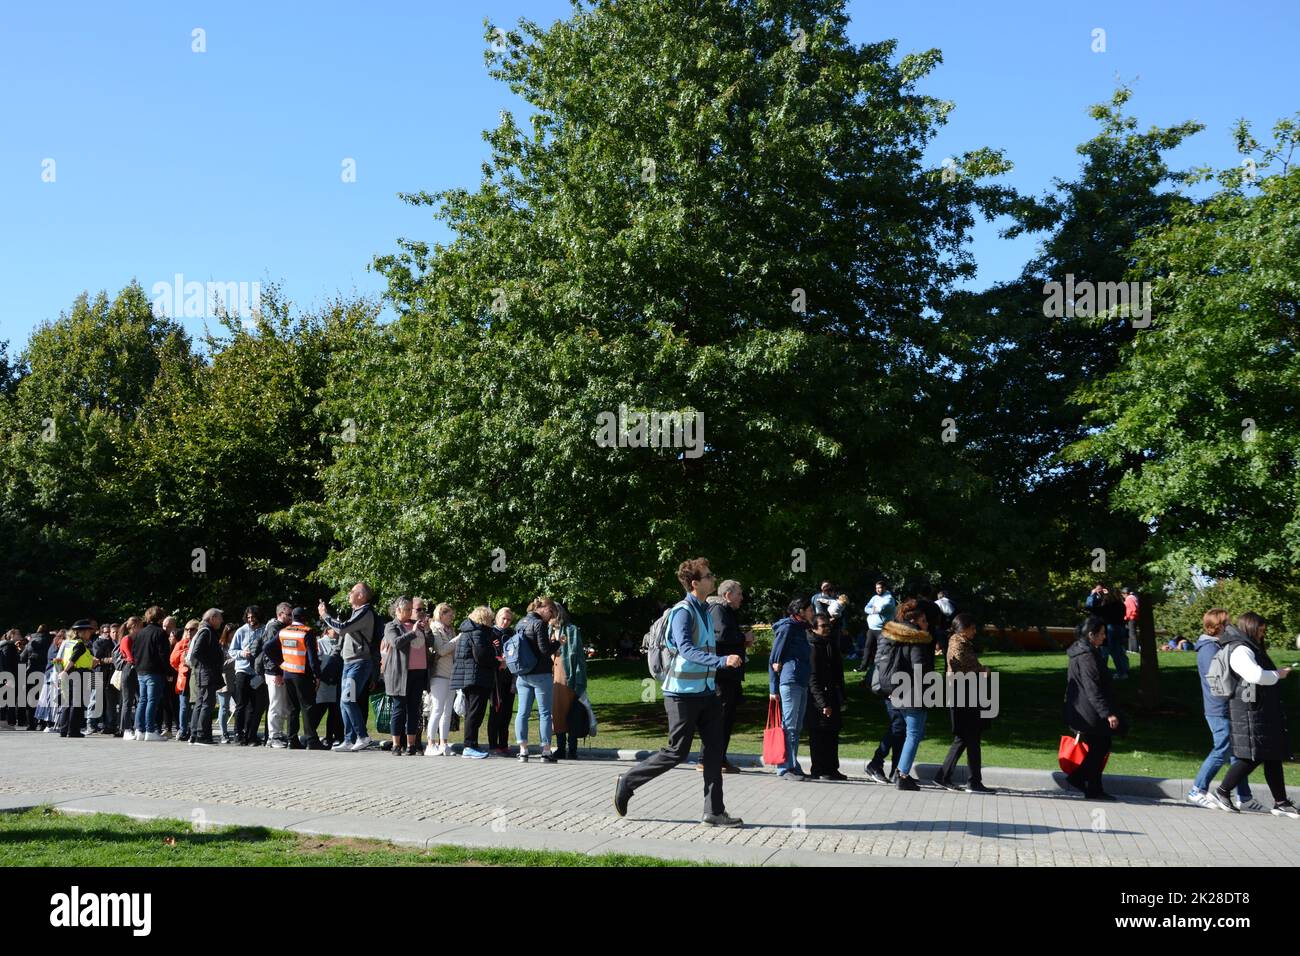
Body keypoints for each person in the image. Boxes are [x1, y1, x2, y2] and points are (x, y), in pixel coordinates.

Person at [613, 558, 745, 827]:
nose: (713, 579)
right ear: (695, 583)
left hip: (706, 692)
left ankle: (714, 812)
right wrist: (721, 661)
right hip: (681, 694)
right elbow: (686, 649)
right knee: (677, 752)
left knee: (714, 750)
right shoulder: (683, 611)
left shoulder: (706, 610)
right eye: (708, 576)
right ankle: (628, 781)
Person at [1206, 612, 1299, 818]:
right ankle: (1222, 791)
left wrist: (1274, 674)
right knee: (1252, 756)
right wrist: (1277, 675)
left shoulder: (1249, 647)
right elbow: (1254, 675)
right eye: (1260, 630)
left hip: (1258, 710)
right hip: (1249, 711)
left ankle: (1281, 801)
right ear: (1250, 627)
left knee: (1271, 754)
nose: (1262, 634)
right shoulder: (1241, 649)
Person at [1187, 609, 1259, 810]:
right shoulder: (1209, 649)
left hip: (1225, 706)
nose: (1231, 625)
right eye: (1227, 622)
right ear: (1217, 625)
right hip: (1217, 707)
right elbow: (1218, 679)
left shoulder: (1217, 646)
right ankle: (1197, 790)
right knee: (1223, 748)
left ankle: (1243, 796)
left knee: (1238, 752)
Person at [933, 613, 994, 793]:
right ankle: (973, 782)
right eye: (973, 628)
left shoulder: (959, 643)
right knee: (972, 737)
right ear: (964, 628)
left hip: (964, 694)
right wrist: (982, 671)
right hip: (964, 695)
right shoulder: (958, 644)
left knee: (965, 738)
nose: (975, 631)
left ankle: (944, 776)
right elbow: (962, 669)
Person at [879, 599, 934, 791]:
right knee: (913, 734)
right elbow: (919, 667)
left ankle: (900, 772)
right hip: (912, 692)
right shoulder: (916, 638)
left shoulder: (894, 635)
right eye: (924, 620)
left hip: (895, 690)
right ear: (916, 621)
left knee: (910, 733)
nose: (926, 623)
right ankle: (902, 775)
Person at [1064, 615, 1121, 800]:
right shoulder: (1087, 656)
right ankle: (1079, 778)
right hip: (1088, 710)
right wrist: (1108, 713)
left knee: (1100, 746)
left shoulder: (1081, 652)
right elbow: (1092, 687)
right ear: (1091, 635)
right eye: (1102, 633)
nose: (1104, 637)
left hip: (1081, 708)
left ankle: (1093, 787)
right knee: (1101, 745)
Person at [319, 583, 380, 752]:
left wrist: (325, 615)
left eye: (352, 591)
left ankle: (362, 736)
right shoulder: (357, 612)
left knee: (348, 699)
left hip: (359, 664)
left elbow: (342, 628)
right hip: (349, 663)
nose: (349, 593)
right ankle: (349, 739)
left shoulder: (365, 612)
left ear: (361, 596)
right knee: (344, 702)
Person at [706, 579, 752, 772]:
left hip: (729, 675)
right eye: (739, 593)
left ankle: (719, 759)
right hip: (722, 674)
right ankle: (709, 760)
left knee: (726, 717)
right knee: (721, 717)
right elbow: (720, 635)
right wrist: (743, 638)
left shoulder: (726, 611)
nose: (742, 597)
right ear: (727, 595)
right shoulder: (718, 609)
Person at [769, 596, 813, 780]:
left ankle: (793, 764)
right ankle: (784, 767)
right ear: (800, 611)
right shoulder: (788, 627)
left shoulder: (802, 628)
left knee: (797, 725)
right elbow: (774, 659)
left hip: (801, 680)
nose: (813, 612)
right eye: (810, 609)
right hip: (790, 680)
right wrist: (773, 689)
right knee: (789, 725)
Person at [513, 596, 562, 763]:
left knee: (522, 712)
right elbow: (544, 650)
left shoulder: (520, 622)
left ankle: (523, 750)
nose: (550, 617)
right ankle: (546, 751)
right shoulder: (539, 623)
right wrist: (557, 643)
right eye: (551, 613)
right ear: (544, 608)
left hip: (523, 674)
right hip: (540, 674)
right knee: (545, 713)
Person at [379, 597, 427, 756]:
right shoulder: (391, 626)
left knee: (414, 710)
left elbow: (430, 643)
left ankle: (411, 745)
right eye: (406, 609)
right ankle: (396, 745)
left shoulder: (416, 624)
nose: (410, 612)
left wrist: (426, 630)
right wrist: (413, 632)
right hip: (400, 673)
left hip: (419, 672)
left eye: (410, 609)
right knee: (399, 709)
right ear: (398, 610)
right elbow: (396, 643)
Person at [806, 612, 847, 780]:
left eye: (828, 626)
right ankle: (819, 769)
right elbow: (813, 678)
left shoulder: (830, 644)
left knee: (832, 732)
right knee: (819, 734)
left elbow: (837, 673)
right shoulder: (813, 647)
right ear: (814, 628)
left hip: (832, 694)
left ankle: (831, 768)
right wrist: (822, 703)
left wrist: (841, 695)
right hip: (819, 698)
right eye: (823, 626)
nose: (826, 629)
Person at [452, 606, 497, 759]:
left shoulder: (467, 631)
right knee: (475, 713)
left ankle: (472, 744)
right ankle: (469, 745)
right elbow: (481, 655)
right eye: (491, 619)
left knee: (473, 712)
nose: (492, 622)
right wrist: (497, 662)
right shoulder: (478, 633)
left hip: (470, 677)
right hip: (476, 677)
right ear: (484, 618)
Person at [550, 604, 589, 760]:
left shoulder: (572, 630)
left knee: (571, 712)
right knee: (557, 713)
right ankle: (560, 747)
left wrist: (579, 678)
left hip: (567, 674)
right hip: (552, 675)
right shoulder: (548, 630)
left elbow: (578, 656)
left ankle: (572, 749)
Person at [423, 602, 461, 756]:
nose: (452, 618)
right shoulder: (435, 628)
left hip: (451, 674)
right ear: (441, 614)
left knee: (447, 712)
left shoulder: (450, 630)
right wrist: (458, 639)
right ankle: (430, 744)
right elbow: (442, 649)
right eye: (449, 615)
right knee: (437, 709)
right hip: (439, 674)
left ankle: (443, 743)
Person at [131, 608, 173, 742]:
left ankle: (139, 730)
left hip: (140, 670)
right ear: (160, 619)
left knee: (142, 700)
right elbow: (163, 655)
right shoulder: (160, 633)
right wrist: (168, 672)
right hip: (154, 671)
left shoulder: (139, 633)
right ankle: (150, 730)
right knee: (152, 700)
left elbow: (135, 652)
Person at [187, 609, 226, 745]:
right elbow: (197, 652)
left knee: (201, 704)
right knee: (206, 704)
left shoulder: (205, 630)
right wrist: (211, 665)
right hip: (206, 673)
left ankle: (195, 734)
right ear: (213, 618)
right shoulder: (206, 631)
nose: (221, 621)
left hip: (203, 673)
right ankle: (201, 736)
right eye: (220, 618)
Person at [229, 606, 265, 746]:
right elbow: (232, 651)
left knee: (254, 706)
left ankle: (251, 735)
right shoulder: (241, 631)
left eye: (253, 617)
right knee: (241, 704)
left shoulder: (264, 630)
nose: (251, 620)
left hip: (257, 673)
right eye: (248, 617)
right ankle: (238, 734)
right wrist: (242, 653)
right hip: (242, 670)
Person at [259, 603, 293, 748]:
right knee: (276, 704)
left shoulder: (281, 627)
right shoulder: (274, 627)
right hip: (274, 672)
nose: (291, 617)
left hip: (279, 670)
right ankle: (273, 736)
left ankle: (278, 733)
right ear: (280, 614)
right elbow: (271, 652)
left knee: (282, 705)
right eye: (288, 614)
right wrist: (277, 672)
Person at [306, 627, 344, 748]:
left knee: (335, 712)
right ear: (327, 630)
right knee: (319, 710)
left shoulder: (341, 642)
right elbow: (317, 660)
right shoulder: (320, 642)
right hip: (323, 682)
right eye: (334, 629)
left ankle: (331, 737)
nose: (337, 631)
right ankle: (310, 735)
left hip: (337, 682)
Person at [57, 620, 96, 738]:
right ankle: (73, 731)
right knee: (77, 704)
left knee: (67, 703)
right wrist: (65, 671)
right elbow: (73, 659)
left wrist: (63, 672)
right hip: (79, 674)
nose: (90, 633)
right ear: (81, 632)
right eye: (89, 631)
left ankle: (64, 729)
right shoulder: (80, 644)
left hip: (70, 674)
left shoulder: (69, 643)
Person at [487, 606, 516, 755]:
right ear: (497, 618)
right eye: (503, 618)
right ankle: (493, 745)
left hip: (509, 677)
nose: (505, 622)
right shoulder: (490, 632)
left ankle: (503, 743)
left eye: (508, 620)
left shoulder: (512, 633)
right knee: (496, 712)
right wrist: (499, 660)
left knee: (507, 713)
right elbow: (486, 653)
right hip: (495, 679)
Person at [858, 580, 895, 673]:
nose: (878, 590)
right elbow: (866, 608)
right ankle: (863, 667)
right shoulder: (874, 598)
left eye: (880, 588)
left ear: (885, 588)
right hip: (872, 628)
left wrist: (874, 609)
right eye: (877, 588)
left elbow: (881, 609)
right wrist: (873, 610)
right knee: (868, 647)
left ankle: (880, 668)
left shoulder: (889, 598)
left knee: (881, 649)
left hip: (882, 629)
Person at [20, 626, 52, 730]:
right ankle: (42, 723)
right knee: (44, 698)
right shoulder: (50, 641)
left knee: (31, 698)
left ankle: (31, 724)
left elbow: (22, 657)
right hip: (45, 672)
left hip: (31, 672)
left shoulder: (31, 641)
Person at [169, 620, 195, 741]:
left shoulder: (201, 642)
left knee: (195, 706)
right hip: (184, 678)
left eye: (192, 629)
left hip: (196, 677)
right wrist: (180, 668)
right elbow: (173, 660)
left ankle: (194, 729)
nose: (189, 632)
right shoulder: (181, 644)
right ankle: (183, 730)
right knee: (184, 705)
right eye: (187, 629)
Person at [217, 623, 237, 743]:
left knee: (239, 706)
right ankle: (223, 733)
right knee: (224, 707)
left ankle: (238, 731)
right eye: (232, 633)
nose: (234, 635)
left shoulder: (238, 644)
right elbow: (220, 665)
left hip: (236, 679)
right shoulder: (221, 646)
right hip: (224, 680)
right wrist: (235, 659)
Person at [1123, 588, 1139, 653]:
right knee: (1131, 634)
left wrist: (1127, 616)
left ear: (1125, 594)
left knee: (1132, 634)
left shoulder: (1129, 598)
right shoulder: (1133, 597)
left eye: (1123, 594)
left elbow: (1133, 609)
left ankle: (1134, 649)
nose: (1123, 596)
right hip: (1132, 618)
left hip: (1131, 618)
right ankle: (1130, 649)